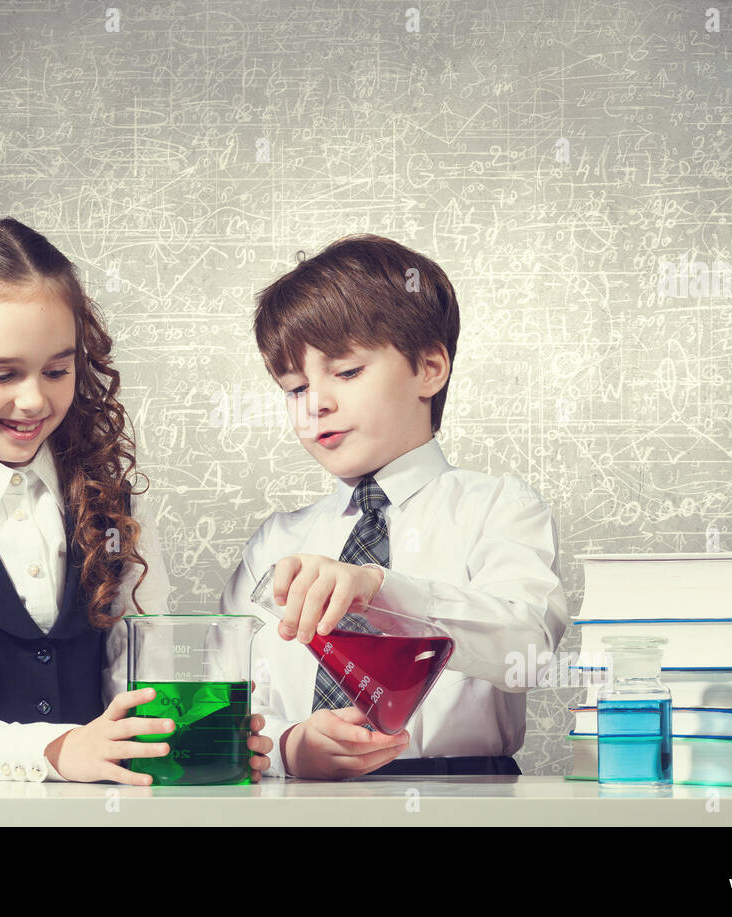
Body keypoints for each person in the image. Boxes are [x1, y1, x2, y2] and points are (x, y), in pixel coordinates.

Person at [0, 217, 271, 784]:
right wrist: (57, 751)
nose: (33, 398)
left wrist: (188, 736)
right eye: (2, 373)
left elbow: (145, 679)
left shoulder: (115, 505)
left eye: (57, 369)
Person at [219, 234, 567, 779]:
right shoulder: (276, 542)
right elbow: (227, 687)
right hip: (294, 798)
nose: (317, 404)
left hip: (465, 799)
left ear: (429, 368)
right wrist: (287, 746)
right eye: (293, 388)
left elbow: (529, 648)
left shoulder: (498, 507)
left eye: (347, 371)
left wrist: (381, 589)